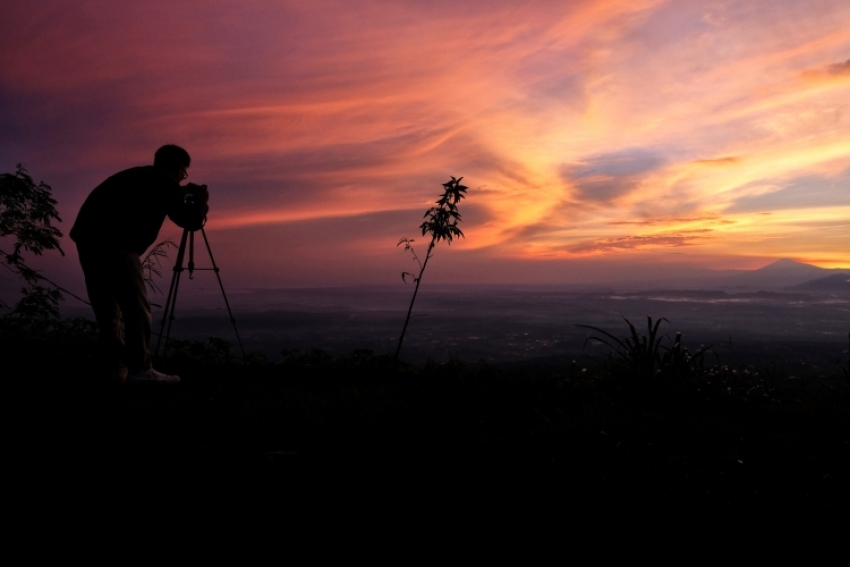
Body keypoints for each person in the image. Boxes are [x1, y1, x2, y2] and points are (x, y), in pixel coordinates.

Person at [70, 145, 209, 383]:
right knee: (136, 308)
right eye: (183, 172)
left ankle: (116, 368)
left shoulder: (134, 175)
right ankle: (141, 369)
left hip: (88, 241)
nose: (181, 178)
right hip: (117, 243)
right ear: (177, 168)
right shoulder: (164, 182)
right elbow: (190, 221)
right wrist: (201, 202)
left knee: (107, 310)